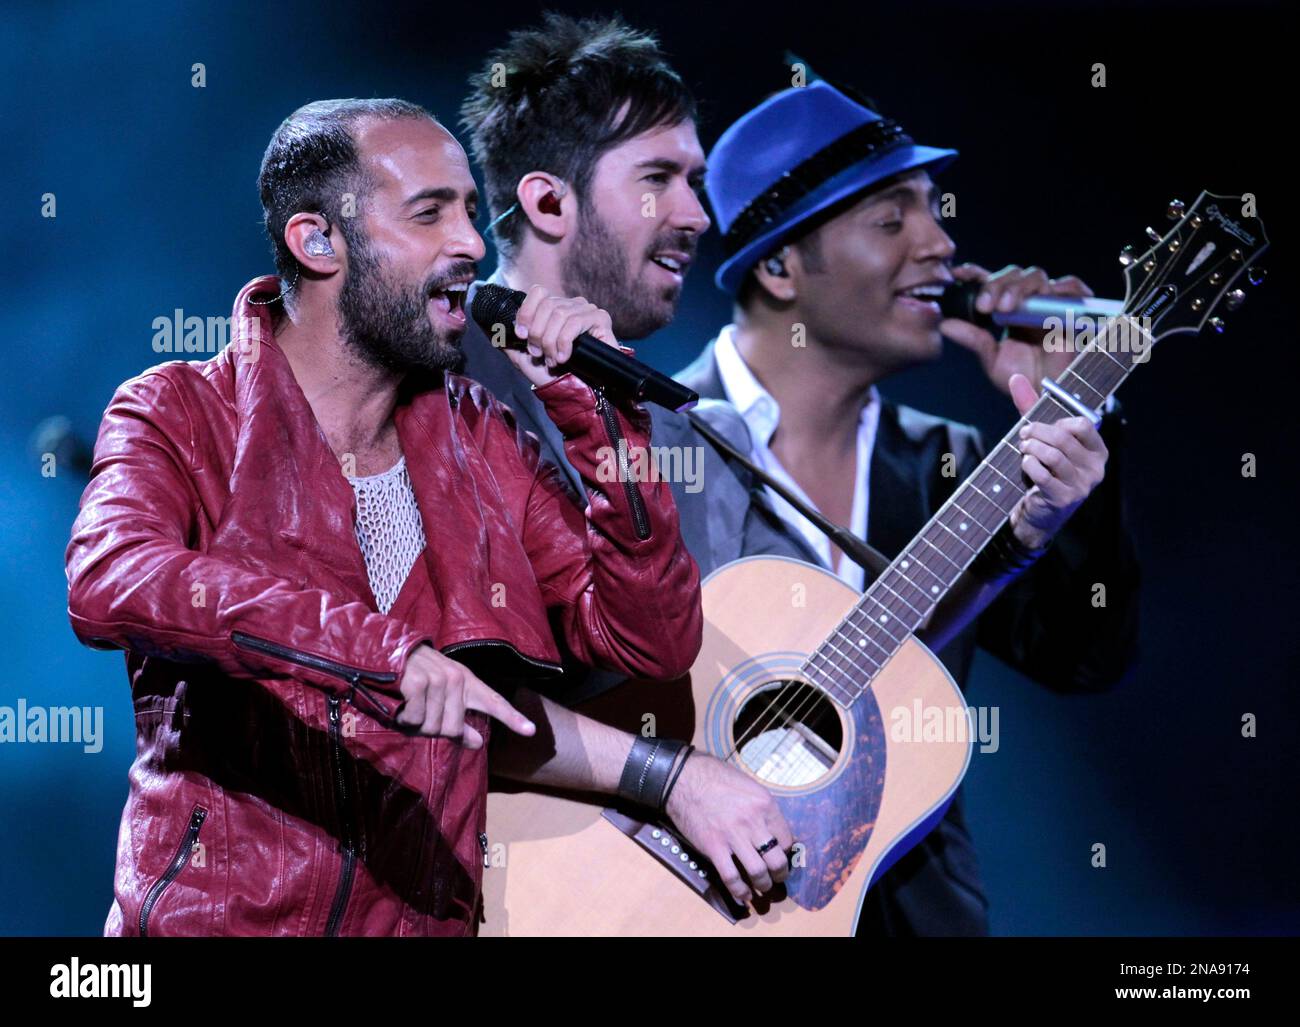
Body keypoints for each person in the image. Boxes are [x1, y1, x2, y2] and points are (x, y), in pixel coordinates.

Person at [456, 14, 1118, 918]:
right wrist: (674, 775)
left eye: (696, 182)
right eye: (660, 180)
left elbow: (855, 676)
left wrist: (1032, 520)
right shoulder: (443, 383)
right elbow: (423, 674)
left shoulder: (694, 436)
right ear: (780, 268)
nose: (697, 216)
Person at [64, 97, 706, 937]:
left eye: (473, 211)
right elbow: (112, 578)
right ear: (318, 241)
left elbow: (648, 639)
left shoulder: (482, 434)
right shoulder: (180, 409)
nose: (473, 244)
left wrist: (603, 416)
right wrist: (383, 653)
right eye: (430, 212)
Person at [687, 77, 1140, 934]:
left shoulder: (961, 467)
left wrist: (1073, 418)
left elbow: (1087, 660)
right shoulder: (643, 446)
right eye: (893, 220)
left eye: (934, 211)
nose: (941, 243)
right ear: (780, 267)